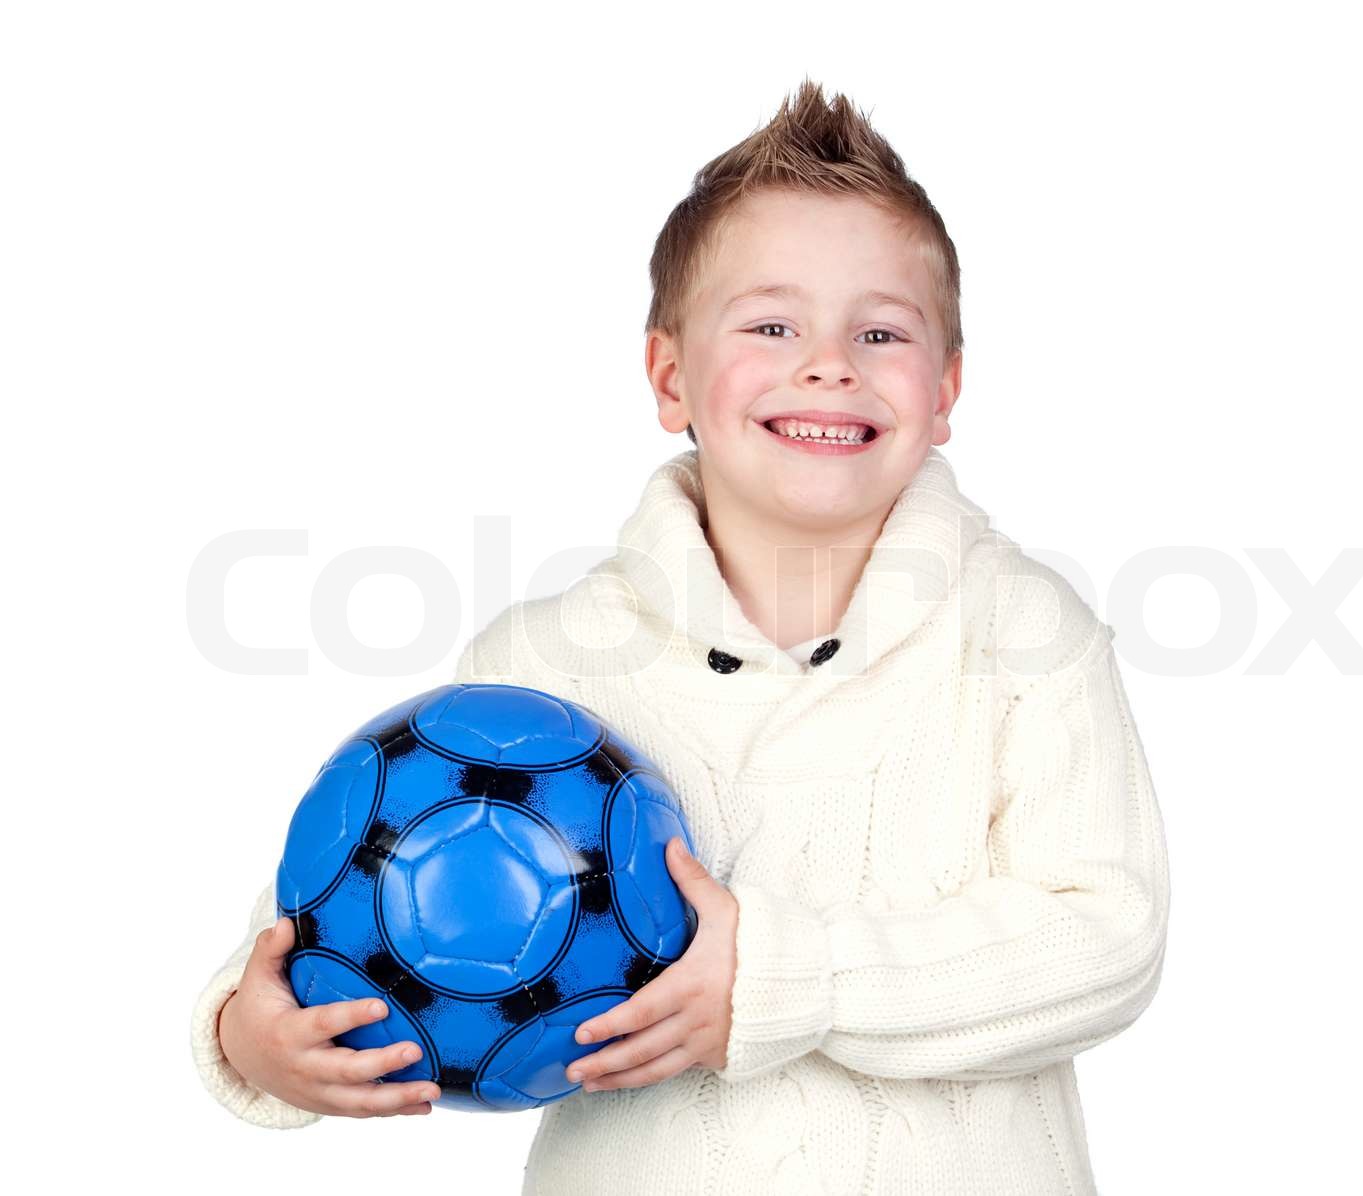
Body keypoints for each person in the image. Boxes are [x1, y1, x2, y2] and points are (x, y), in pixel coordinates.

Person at [190, 77, 1171, 1194]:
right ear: (670, 376)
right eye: (770, 323)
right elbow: (344, 900)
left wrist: (779, 976)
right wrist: (253, 1030)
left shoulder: (1029, 636)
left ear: (944, 388)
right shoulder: (544, 664)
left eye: (880, 330)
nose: (827, 361)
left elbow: (1104, 940)